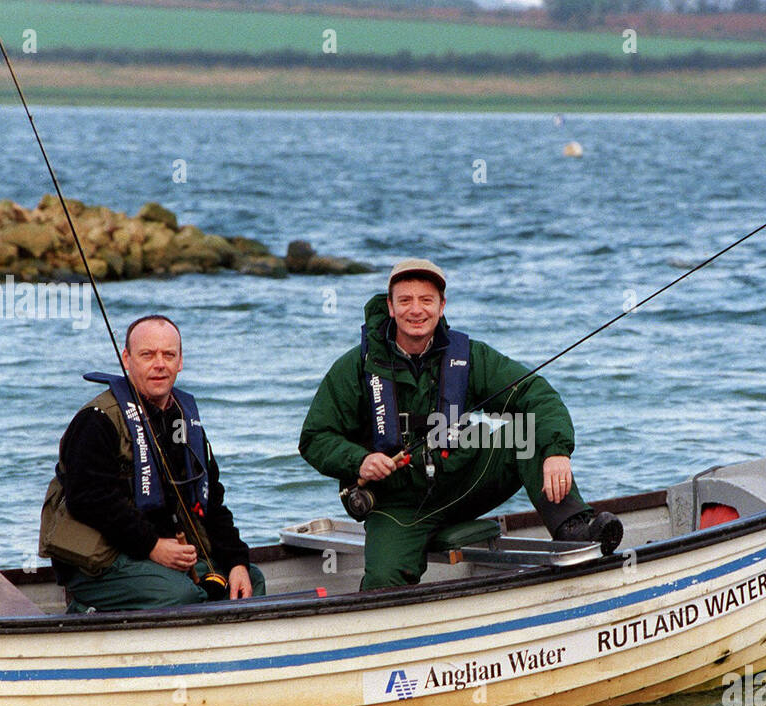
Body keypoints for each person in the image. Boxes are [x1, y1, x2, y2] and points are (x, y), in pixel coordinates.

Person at [300, 258, 621, 590]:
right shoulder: (355, 367)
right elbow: (314, 437)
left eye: (426, 300)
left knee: (525, 431)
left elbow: (535, 395)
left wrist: (556, 452)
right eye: (405, 300)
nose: (416, 310)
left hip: (461, 483)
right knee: (383, 581)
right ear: (390, 308)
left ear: (442, 306)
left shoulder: (469, 356)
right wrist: (360, 461)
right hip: (396, 507)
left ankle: (573, 528)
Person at [39, 314, 265, 611]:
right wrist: (153, 547)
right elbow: (89, 500)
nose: (159, 364)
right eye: (147, 355)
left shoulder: (184, 421)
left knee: (252, 578)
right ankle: (85, 611)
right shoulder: (97, 419)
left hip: (157, 554)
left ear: (180, 361)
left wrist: (236, 561)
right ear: (127, 359)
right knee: (183, 596)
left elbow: (212, 503)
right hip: (100, 565)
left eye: (168, 354)